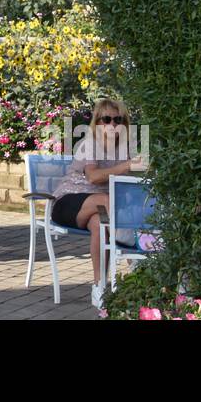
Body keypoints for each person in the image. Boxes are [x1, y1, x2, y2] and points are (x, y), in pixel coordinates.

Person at [48, 97, 147, 307]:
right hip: (69, 202)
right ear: (97, 122)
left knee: (99, 224)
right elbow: (93, 177)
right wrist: (126, 166)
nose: (112, 124)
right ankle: (132, 248)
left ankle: (99, 287)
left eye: (117, 120)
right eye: (106, 119)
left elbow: (133, 182)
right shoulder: (89, 143)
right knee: (105, 200)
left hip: (103, 208)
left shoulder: (127, 147)